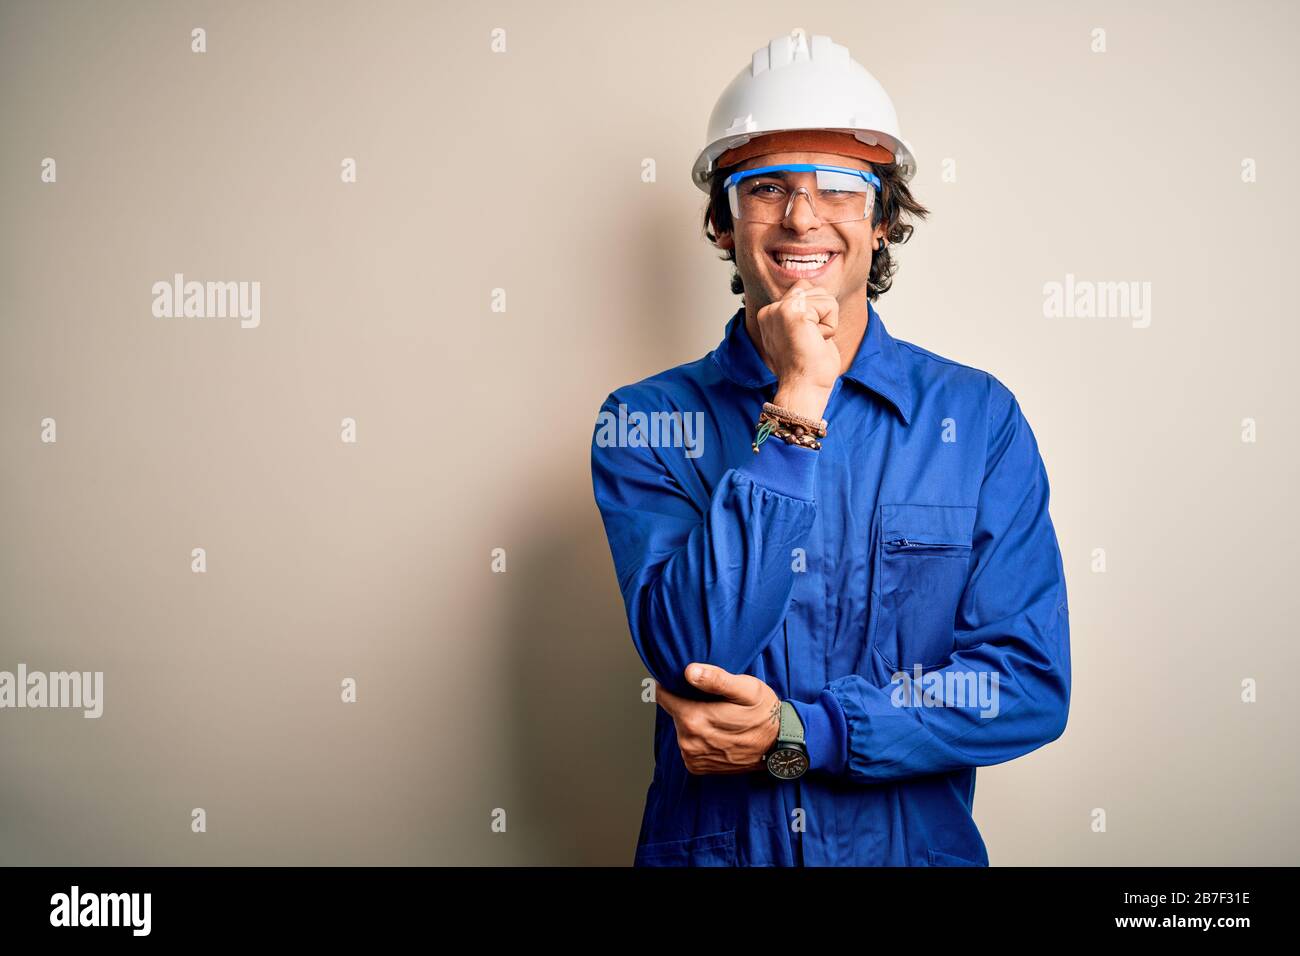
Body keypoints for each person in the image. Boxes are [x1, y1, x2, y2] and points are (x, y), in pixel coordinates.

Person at [589, 28, 1071, 866]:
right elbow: (692, 652)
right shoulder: (645, 421)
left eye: (841, 187)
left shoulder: (977, 418)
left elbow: (1025, 684)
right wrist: (798, 400)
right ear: (722, 224)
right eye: (766, 186)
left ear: (881, 220)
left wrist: (808, 732)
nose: (802, 216)